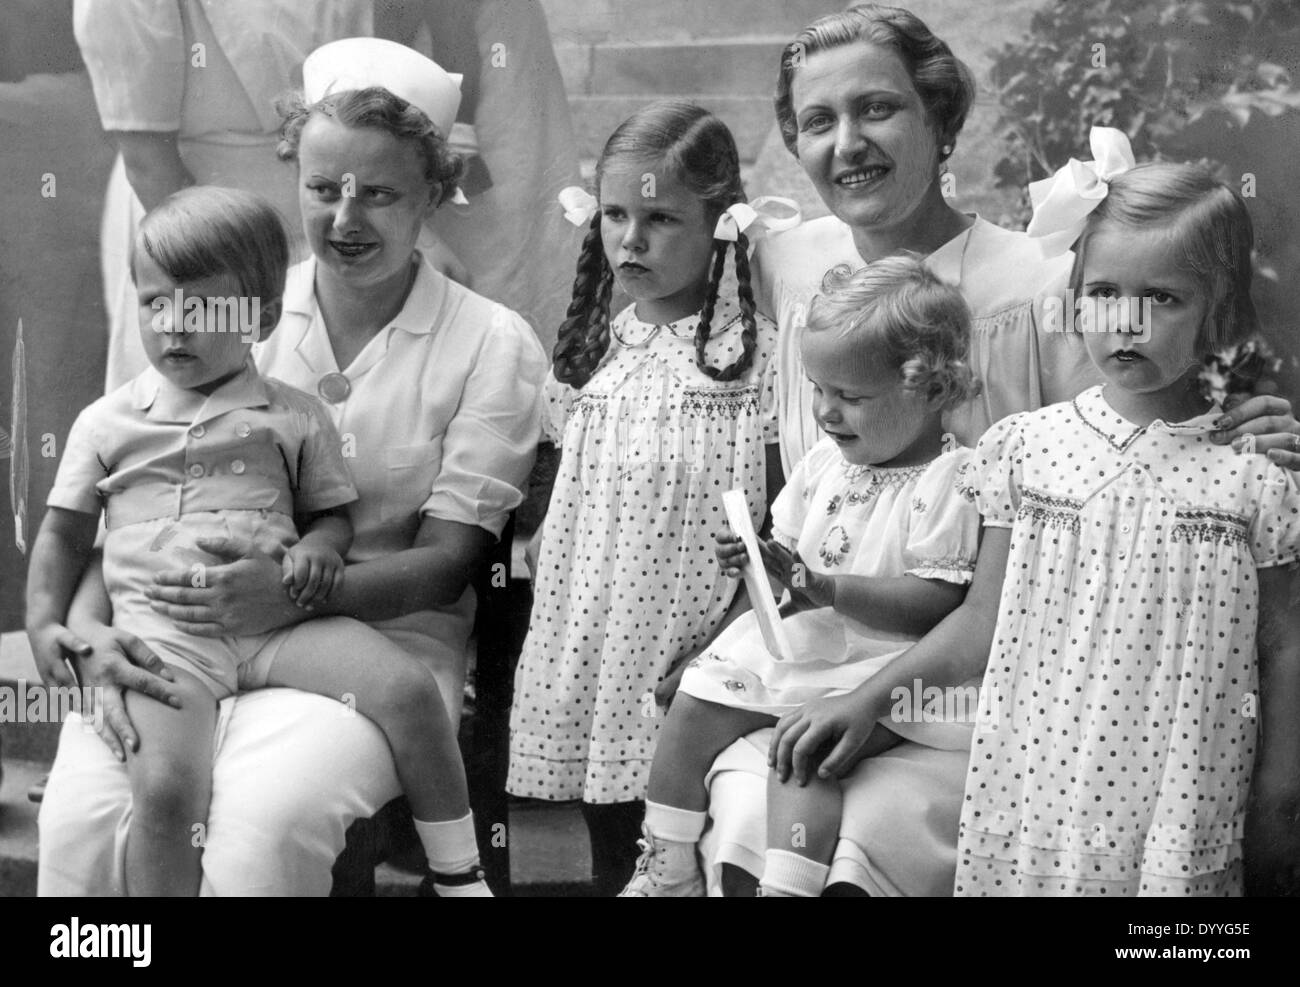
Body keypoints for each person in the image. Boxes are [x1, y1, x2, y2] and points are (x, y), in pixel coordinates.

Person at [701, 3, 1300, 897]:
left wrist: (1250, 426)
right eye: (819, 121)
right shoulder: (789, 265)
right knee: (760, 802)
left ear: (941, 119)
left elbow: (1147, 439)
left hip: (1008, 682)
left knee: (869, 830)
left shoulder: (1046, 288)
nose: (848, 143)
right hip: (828, 649)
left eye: (878, 109)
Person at [35, 38, 547, 896]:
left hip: (378, 643)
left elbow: (452, 558)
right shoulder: (227, 306)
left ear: (432, 194)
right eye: (322, 188)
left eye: (379, 193)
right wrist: (87, 631)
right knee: (86, 818)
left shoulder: (490, 343)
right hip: (173, 627)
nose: (345, 220)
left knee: (258, 826)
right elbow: (129, 487)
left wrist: (300, 591)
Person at [621, 257, 981, 897]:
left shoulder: (953, 479)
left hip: (886, 667)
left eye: (851, 397)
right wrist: (761, 567)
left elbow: (938, 604)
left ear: (931, 389)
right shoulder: (823, 463)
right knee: (698, 697)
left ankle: (786, 885)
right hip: (807, 643)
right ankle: (667, 862)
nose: (826, 412)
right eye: (818, 389)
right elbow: (790, 566)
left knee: (804, 747)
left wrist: (826, 587)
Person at [506, 100, 793, 896]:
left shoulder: (757, 364)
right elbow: (563, 511)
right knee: (613, 858)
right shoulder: (593, 355)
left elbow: (783, 523)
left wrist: (724, 649)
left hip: (699, 651)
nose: (630, 240)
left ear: (721, 227)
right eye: (615, 215)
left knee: (690, 853)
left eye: (661, 218)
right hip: (598, 651)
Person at [73, 0, 372, 390]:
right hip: (196, 218)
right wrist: (226, 288)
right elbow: (147, 161)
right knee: (213, 402)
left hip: (328, 205)